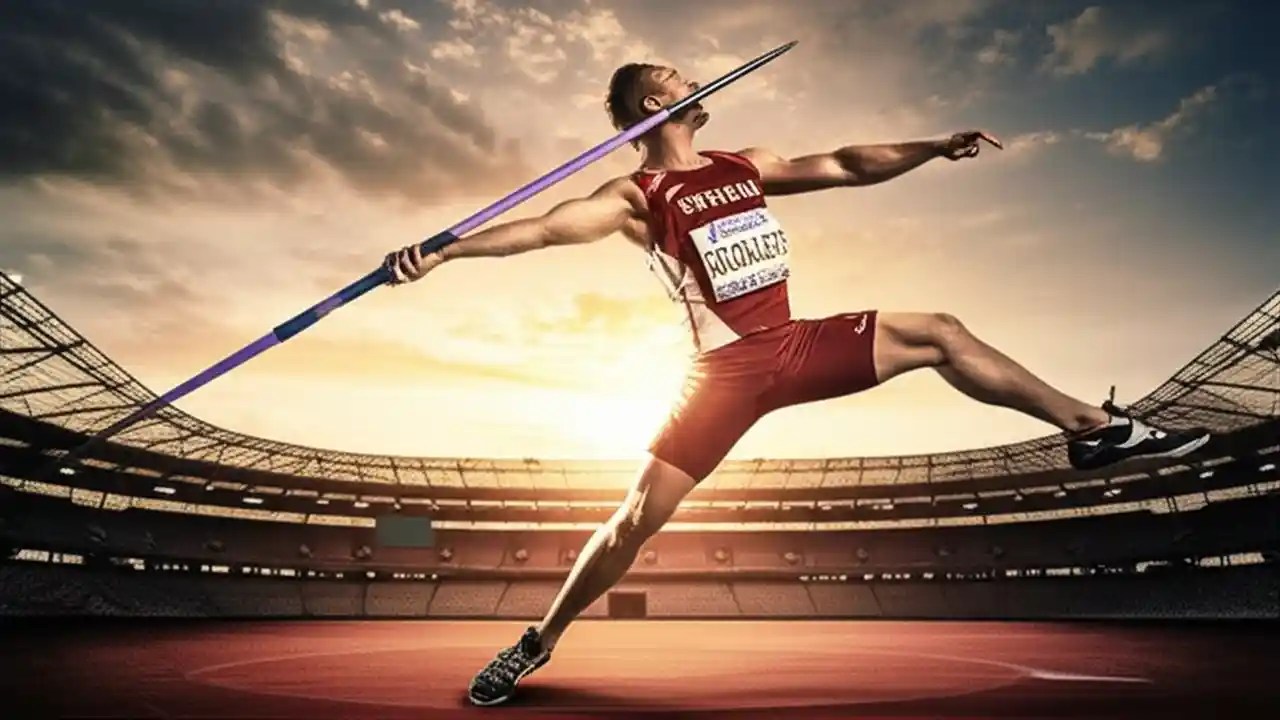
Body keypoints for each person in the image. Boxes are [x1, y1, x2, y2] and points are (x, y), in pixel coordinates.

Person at [384, 62, 1211, 706]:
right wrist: (445, 249)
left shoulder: (745, 165)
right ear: (647, 109)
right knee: (634, 520)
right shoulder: (636, 195)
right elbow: (541, 228)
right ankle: (537, 641)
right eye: (673, 79)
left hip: (798, 343)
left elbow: (848, 163)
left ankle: (1093, 429)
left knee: (939, 332)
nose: (694, 80)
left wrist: (929, 147)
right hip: (722, 375)